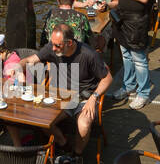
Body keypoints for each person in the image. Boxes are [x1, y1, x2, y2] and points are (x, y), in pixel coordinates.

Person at [28, 23, 111, 152]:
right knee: (40, 118)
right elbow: (31, 60)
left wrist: (94, 98)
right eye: (52, 44)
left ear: (70, 43)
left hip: (83, 99)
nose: (53, 49)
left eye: (58, 45)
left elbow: (108, 78)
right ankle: (63, 143)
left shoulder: (89, 54)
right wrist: (17, 67)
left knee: (83, 125)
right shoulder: (52, 47)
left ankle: (77, 155)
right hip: (60, 97)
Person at [110, 0, 154, 108]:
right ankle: (128, 86)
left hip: (137, 20)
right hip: (123, 17)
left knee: (139, 58)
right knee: (126, 55)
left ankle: (143, 93)